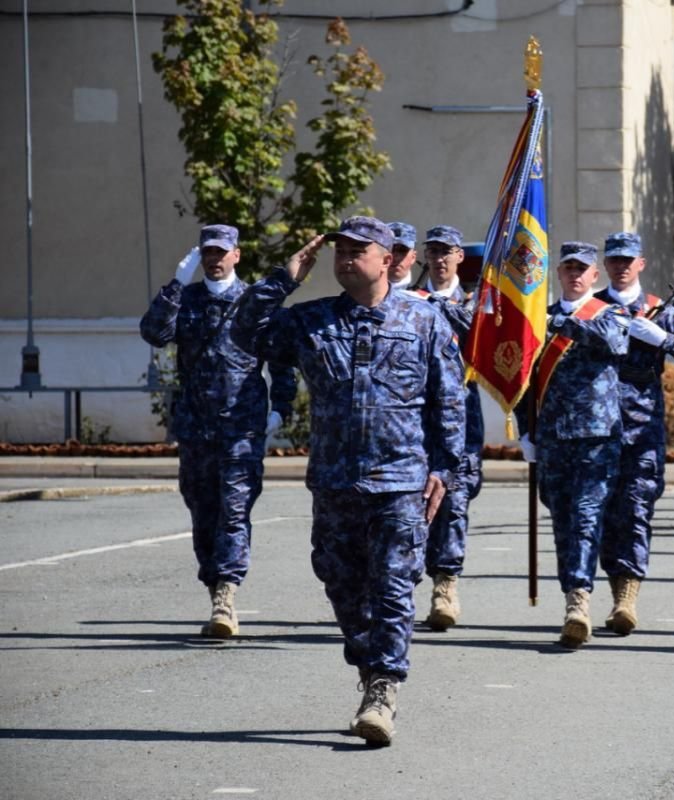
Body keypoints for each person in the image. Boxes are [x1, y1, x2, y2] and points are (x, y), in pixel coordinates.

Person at [231, 216, 465, 746]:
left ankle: (383, 687)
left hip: (400, 481)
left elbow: (448, 400)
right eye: (340, 250)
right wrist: (283, 278)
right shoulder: (310, 321)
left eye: (358, 250)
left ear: (388, 260)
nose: (344, 259)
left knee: (392, 587)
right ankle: (369, 665)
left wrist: (445, 469)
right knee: (341, 584)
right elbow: (244, 333)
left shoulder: (423, 320)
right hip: (335, 480)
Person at [140, 224, 296, 639]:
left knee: (234, 509)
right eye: (208, 252)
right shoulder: (187, 300)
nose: (214, 259)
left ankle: (226, 593)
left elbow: (281, 361)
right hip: (196, 426)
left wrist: (280, 410)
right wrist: (176, 281)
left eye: (221, 252)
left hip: (242, 427)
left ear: (237, 255)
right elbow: (154, 333)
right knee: (202, 508)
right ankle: (214, 583)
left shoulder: (254, 302)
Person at [516, 242, 630, 649]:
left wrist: (564, 325)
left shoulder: (609, 313)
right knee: (563, 522)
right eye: (568, 269)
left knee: (585, 517)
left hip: (596, 437)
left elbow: (616, 344)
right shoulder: (539, 319)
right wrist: (522, 429)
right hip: (552, 437)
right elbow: (523, 380)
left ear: (594, 276)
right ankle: (573, 595)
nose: (576, 275)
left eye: (583, 269)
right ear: (558, 274)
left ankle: (578, 603)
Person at [593, 232, 674, 634]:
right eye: (614, 260)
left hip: (642, 429)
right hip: (595, 429)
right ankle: (609, 586)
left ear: (641, 264)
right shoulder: (591, 309)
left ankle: (627, 596)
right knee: (602, 513)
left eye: (629, 260)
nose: (622, 267)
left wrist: (664, 339)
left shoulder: (660, 310)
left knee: (637, 509)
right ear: (604, 265)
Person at [411, 225, 484, 631]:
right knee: (410, 504)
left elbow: (480, 336)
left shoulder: (476, 303)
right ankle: (403, 588)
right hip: (413, 417)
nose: (439, 259)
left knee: (454, 505)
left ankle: (445, 588)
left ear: (459, 257)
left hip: (459, 416)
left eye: (447, 252)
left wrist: (437, 306)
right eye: (433, 252)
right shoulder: (407, 300)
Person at [386, 221, 419, 289]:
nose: (396, 257)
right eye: (391, 249)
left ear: (413, 257)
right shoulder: (362, 293)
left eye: (403, 250)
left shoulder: (423, 298)